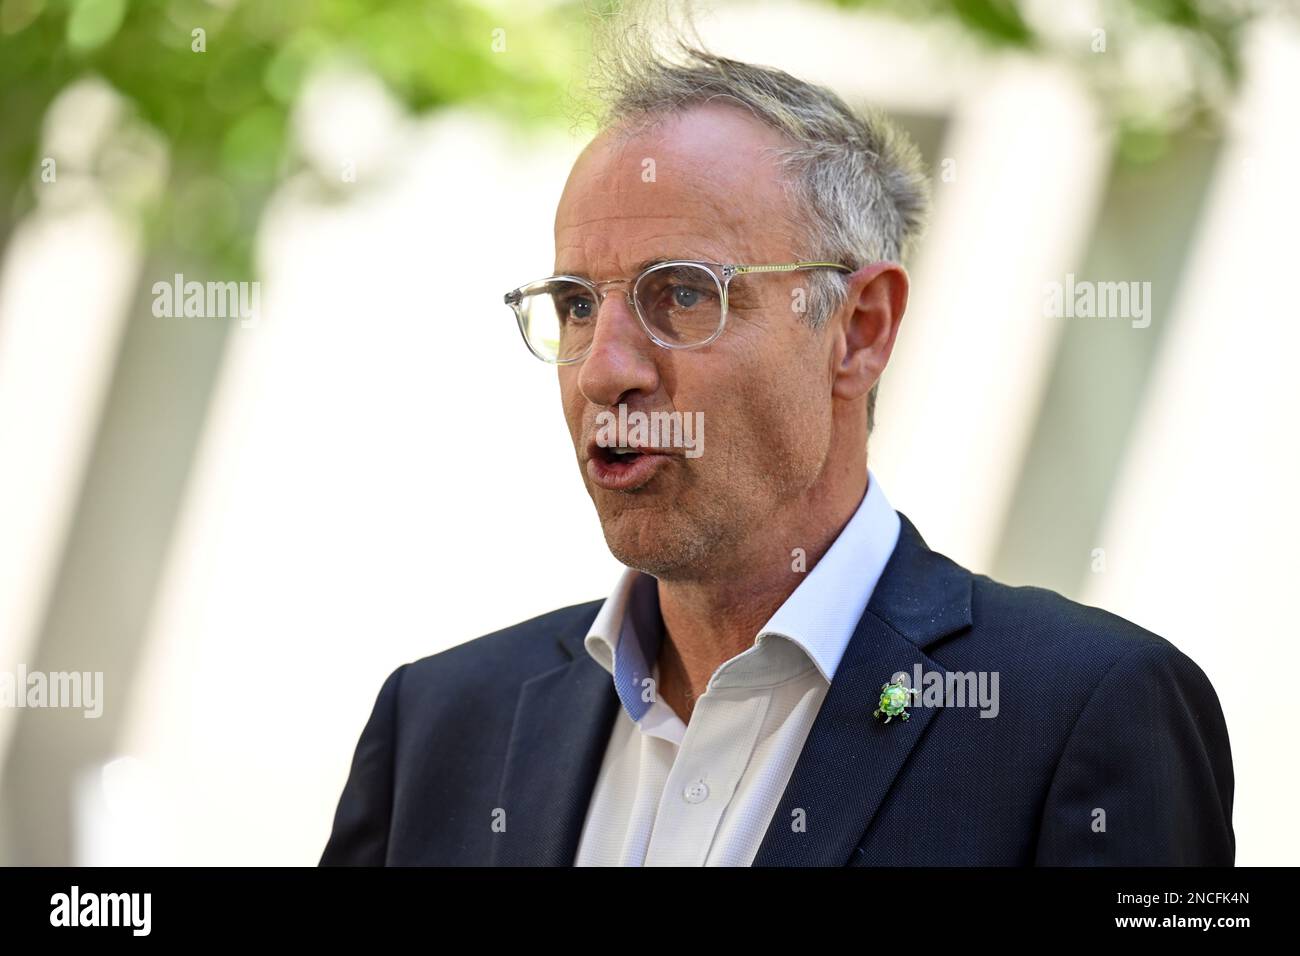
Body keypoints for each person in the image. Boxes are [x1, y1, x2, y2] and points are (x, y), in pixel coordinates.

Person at [320, 42, 1233, 867]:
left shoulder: (1081, 712)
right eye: (575, 305)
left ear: (859, 329)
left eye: (680, 294)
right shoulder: (439, 725)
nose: (604, 371)